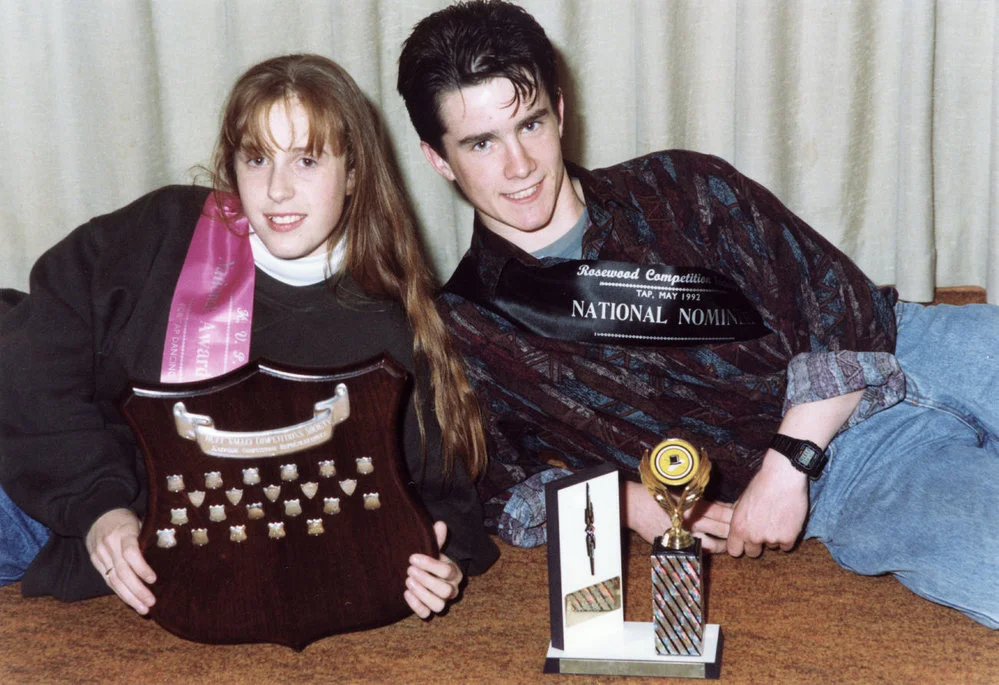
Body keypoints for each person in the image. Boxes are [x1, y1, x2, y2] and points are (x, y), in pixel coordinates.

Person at [396, 0, 999, 628]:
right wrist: (627, 502)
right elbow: (502, 493)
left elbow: (838, 303)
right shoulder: (467, 328)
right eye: (481, 143)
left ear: (561, 112)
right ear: (439, 158)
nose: (517, 166)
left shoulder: (680, 184)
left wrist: (790, 459)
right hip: (858, 473)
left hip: (916, 344)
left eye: (530, 124)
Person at [0, 53, 498, 620]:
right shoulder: (163, 233)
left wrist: (443, 559)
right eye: (257, 158)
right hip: (34, 463)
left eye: (307, 160)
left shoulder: (395, 328)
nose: (278, 190)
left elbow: (443, 498)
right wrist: (98, 508)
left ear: (355, 172)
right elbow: (26, 360)